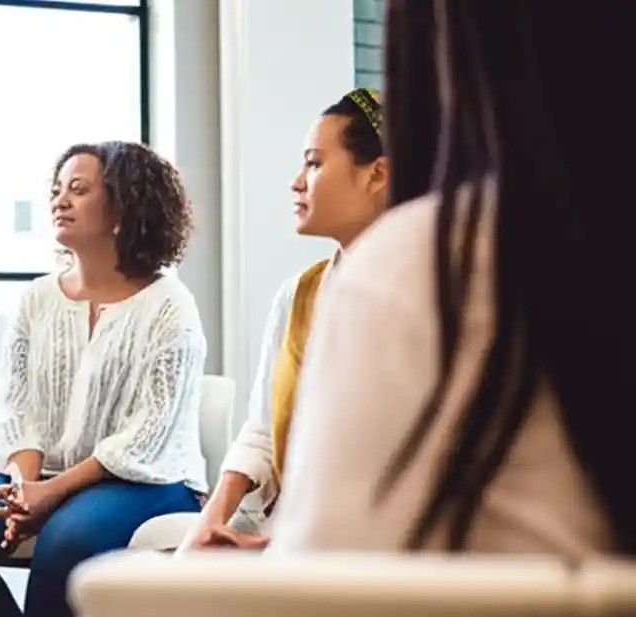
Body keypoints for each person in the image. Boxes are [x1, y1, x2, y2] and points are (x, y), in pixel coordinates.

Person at [268, 0, 632, 556]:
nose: (298, 183)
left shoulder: (409, 274)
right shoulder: (321, 288)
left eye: (314, 163)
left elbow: (333, 588)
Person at [0, 141, 207, 617]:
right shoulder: (36, 298)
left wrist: (49, 496)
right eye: (57, 188)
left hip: (146, 481)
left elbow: (146, 436)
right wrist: (24, 484)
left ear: (124, 205)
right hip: (43, 472)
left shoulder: (170, 306)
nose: (60, 200)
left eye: (79, 189)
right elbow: (20, 409)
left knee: (67, 541)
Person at [178, 89, 389, 552]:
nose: (297, 182)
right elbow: (260, 431)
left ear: (377, 174)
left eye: (314, 164)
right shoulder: (298, 294)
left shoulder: (420, 300)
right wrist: (209, 522)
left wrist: (277, 550)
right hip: (284, 529)